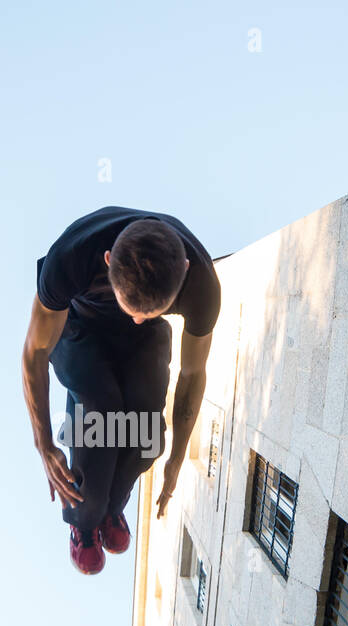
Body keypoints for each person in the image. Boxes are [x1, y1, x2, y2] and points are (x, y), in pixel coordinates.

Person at [20, 206, 221, 574]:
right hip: (78, 327)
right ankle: (84, 522)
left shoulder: (202, 286)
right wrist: (44, 444)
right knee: (103, 408)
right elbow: (34, 351)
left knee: (148, 440)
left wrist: (176, 459)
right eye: (133, 308)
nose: (137, 315)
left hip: (144, 342)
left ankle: (111, 508)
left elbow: (192, 376)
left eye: (149, 309)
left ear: (186, 271)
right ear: (108, 259)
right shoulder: (71, 258)